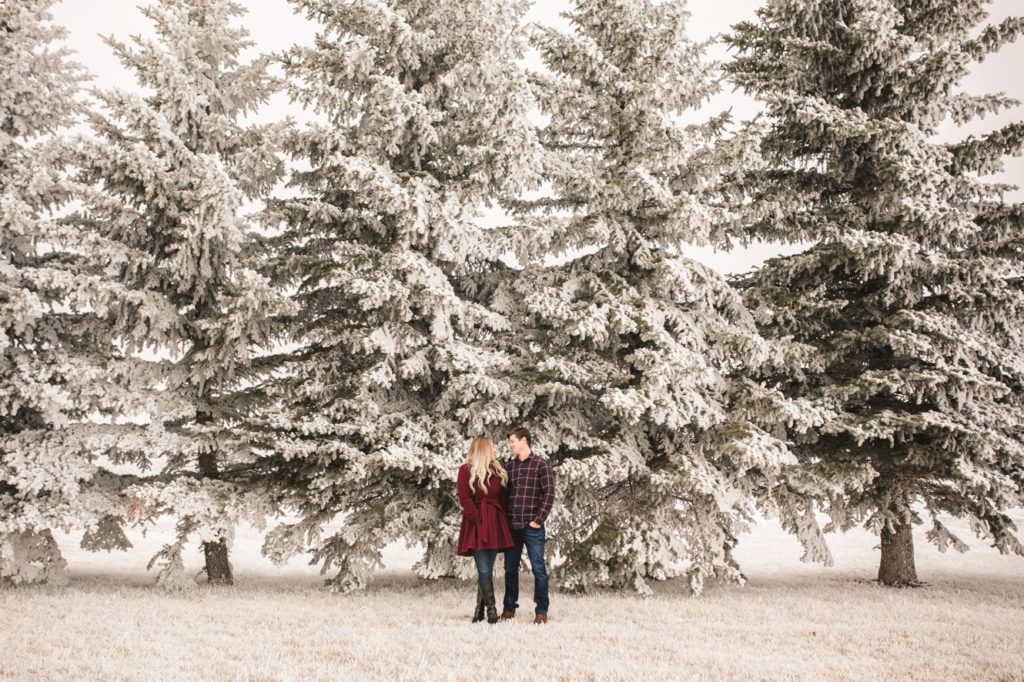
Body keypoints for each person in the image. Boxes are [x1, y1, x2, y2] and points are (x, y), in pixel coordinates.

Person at [456, 435, 514, 624]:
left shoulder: (497, 470)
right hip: (477, 523)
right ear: (484, 449)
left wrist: (502, 520)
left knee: (487, 568)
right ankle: (491, 612)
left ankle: (478, 612)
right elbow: (465, 498)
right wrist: (477, 519)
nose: (495, 450)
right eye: (492, 447)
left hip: (495, 522)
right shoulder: (465, 470)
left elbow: (503, 498)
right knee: (483, 568)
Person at [501, 426, 555, 624]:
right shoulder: (510, 467)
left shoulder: (541, 464)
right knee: (510, 569)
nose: (510, 445)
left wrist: (538, 521)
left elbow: (549, 494)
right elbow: (506, 495)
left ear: (523, 441)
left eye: (513, 441)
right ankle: (509, 608)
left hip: (532, 528)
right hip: (513, 526)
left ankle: (541, 611)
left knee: (538, 569)